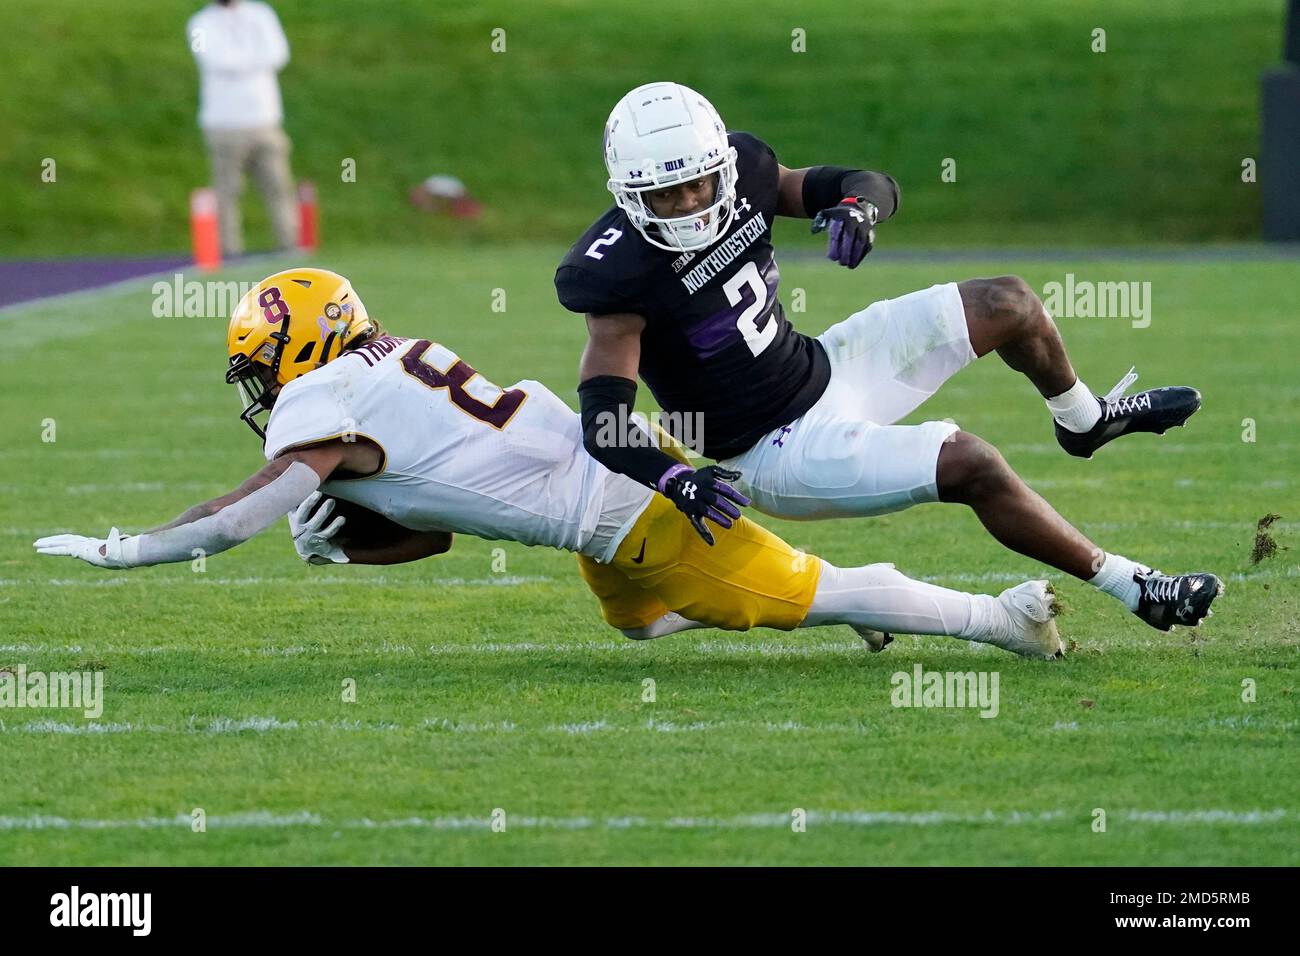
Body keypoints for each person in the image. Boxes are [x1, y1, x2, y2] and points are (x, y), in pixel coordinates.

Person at [33, 269, 1067, 660]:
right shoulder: (375, 370)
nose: (260, 383)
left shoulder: (322, 401)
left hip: (626, 499)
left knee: (800, 595)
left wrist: (132, 549)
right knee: (639, 624)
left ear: (301, 350)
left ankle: (998, 617)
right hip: (598, 478)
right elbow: (434, 524)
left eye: (263, 360)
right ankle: (824, 595)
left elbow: (234, 518)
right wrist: (351, 556)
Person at [554, 81, 1222, 632]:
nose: (686, 204)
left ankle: (1083, 419)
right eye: (663, 194)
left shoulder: (750, 171)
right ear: (626, 192)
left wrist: (857, 209)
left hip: (827, 366)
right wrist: (675, 479)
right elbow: (603, 420)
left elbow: (866, 181)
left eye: (698, 184)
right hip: (775, 449)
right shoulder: (616, 275)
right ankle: (1136, 587)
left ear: (720, 168)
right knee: (972, 462)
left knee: (1009, 302)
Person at [187, 0, 297, 255]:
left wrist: (240, 61)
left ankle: (289, 242)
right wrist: (253, 60)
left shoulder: (261, 14)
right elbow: (212, 60)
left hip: (264, 118)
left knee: (278, 185)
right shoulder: (200, 23)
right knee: (227, 190)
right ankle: (229, 249)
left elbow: (278, 54)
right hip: (224, 121)